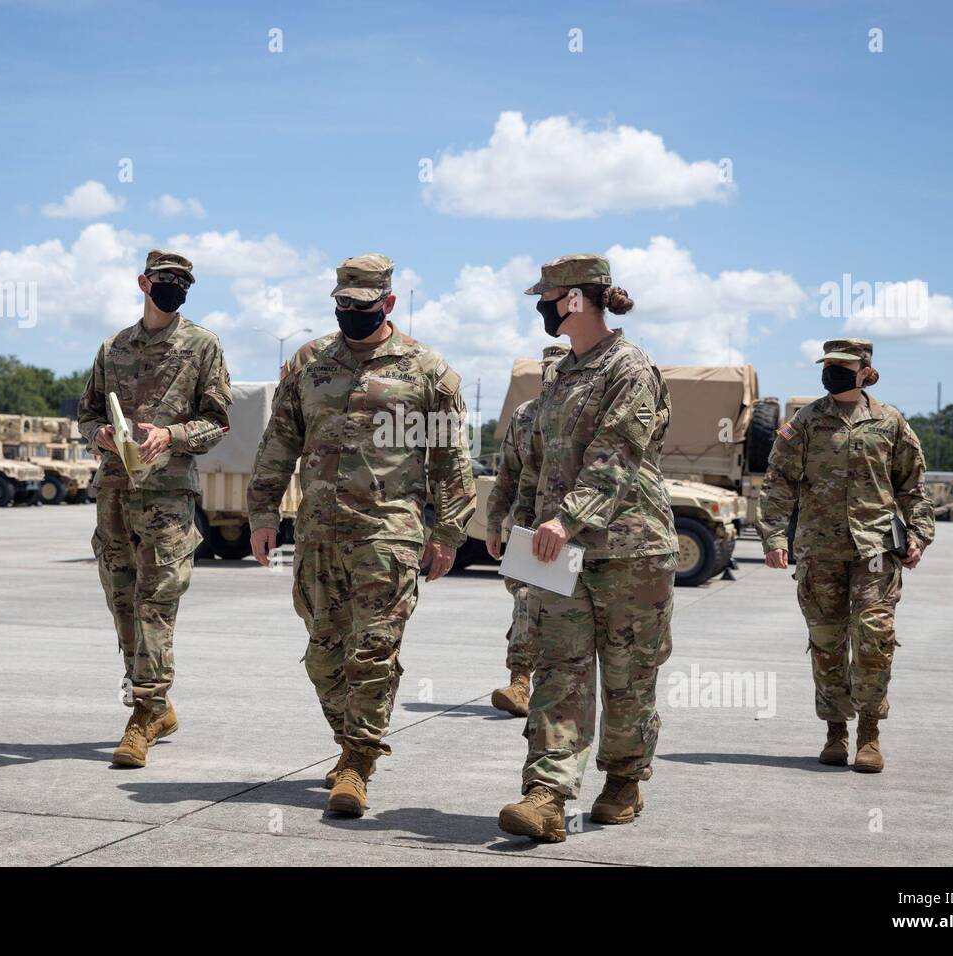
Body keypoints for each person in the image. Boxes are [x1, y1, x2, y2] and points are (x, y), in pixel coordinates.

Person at [246, 253, 476, 818]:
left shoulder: (426, 371)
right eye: (342, 304)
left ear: (389, 304)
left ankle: (358, 759)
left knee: (372, 651)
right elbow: (279, 442)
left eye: (362, 306)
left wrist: (447, 532)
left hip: (388, 534)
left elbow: (449, 460)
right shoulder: (310, 361)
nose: (350, 313)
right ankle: (349, 739)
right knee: (325, 656)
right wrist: (262, 512)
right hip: (319, 533)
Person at [498, 254, 678, 843]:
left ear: (574, 299)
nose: (541, 309)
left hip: (629, 549)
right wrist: (521, 528)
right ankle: (546, 793)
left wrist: (568, 519)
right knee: (559, 670)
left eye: (546, 298)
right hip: (558, 552)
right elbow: (538, 464)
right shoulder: (561, 376)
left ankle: (624, 780)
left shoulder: (630, 367)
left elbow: (617, 452)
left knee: (628, 676)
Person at [77, 249, 232, 768]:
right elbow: (87, 415)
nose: (175, 288)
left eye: (184, 282)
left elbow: (217, 422)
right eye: (166, 280)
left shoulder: (202, 345)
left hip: (168, 497)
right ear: (143, 282)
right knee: (122, 601)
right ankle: (155, 702)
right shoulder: (112, 348)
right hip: (115, 493)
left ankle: (145, 711)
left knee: (156, 603)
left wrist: (170, 435)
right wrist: (98, 434)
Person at [756, 339, 934, 773]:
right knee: (827, 641)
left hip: (875, 547)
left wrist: (920, 533)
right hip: (819, 548)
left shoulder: (889, 421)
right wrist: (774, 537)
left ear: (864, 371)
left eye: (842, 365)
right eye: (828, 364)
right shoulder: (806, 421)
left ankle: (869, 733)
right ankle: (835, 730)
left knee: (874, 637)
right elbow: (778, 480)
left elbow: (912, 484)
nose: (832, 371)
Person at [485, 344, 569, 717]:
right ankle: (520, 682)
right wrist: (493, 521)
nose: (550, 378)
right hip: (528, 527)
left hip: (574, 528)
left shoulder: (582, 415)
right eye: (546, 371)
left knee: (568, 613)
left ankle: (565, 687)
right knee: (525, 602)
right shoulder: (524, 417)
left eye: (558, 370)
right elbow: (507, 473)